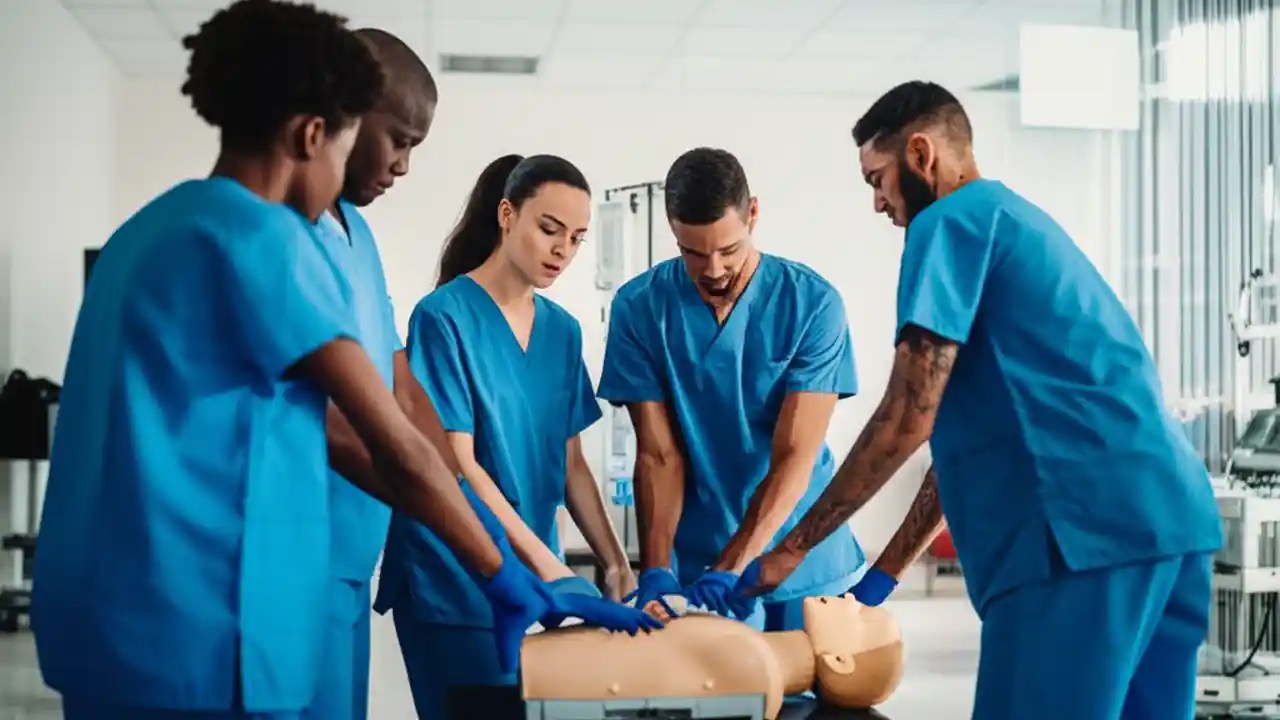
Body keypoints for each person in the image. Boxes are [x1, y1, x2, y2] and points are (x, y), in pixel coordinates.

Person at [29, 3, 618, 718]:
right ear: (314, 135)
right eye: (351, 143)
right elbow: (383, 441)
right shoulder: (261, 238)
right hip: (198, 618)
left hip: (109, 618)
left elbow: (388, 399)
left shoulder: (149, 230)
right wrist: (502, 572)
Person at [734, 81, 1223, 720]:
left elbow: (906, 417)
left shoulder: (949, 222)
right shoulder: (1015, 222)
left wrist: (791, 549)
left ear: (920, 154)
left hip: (1079, 537)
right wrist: (883, 575)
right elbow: (956, 450)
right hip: (1171, 524)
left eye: (877, 179)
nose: (877, 202)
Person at [373, 153, 650, 719]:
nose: (562, 250)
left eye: (576, 239)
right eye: (549, 229)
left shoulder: (562, 331)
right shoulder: (443, 317)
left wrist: (616, 565)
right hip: (454, 575)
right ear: (507, 215)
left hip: (534, 575)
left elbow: (571, 463)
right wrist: (553, 571)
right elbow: (458, 462)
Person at [596, 147, 867, 633]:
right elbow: (658, 455)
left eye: (729, 250)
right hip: (696, 557)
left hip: (801, 555)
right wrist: (656, 568)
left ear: (753, 214)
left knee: (816, 681)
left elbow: (795, 456)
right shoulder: (639, 308)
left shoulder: (812, 303)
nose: (714, 269)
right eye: (693, 253)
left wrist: (734, 565)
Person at [303, 27, 436, 720]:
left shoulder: (359, 233)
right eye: (400, 140)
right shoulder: (283, 233)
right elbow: (331, 421)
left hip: (357, 549)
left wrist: (459, 494)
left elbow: (397, 383)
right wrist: (467, 534)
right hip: (297, 550)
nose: (404, 167)